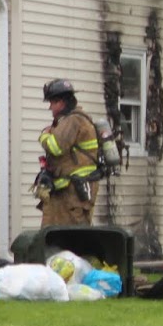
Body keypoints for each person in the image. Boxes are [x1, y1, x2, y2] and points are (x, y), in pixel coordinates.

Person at [36, 78, 101, 226]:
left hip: (71, 196)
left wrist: (44, 135)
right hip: (72, 193)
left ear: (61, 102)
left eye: (52, 103)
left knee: (66, 240)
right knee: (61, 237)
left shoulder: (73, 120)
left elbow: (56, 147)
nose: (50, 107)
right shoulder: (75, 119)